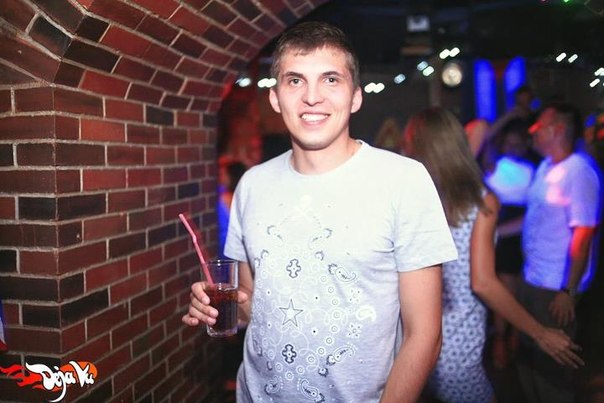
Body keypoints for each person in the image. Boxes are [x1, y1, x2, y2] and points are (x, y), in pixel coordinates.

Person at [183, 21, 459, 402]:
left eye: (330, 80)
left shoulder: (404, 181)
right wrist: (218, 308)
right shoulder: (251, 185)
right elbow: (250, 304)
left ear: (355, 96)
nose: (312, 97)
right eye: (295, 80)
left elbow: (425, 335)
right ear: (275, 98)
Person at [401, 107, 584, 403]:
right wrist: (540, 333)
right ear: (456, 143)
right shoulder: (478, 200)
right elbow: (483, 282)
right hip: (456, 346)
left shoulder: (410, 196)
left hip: (414, 340)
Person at [517, 103, 601, 403]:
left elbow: (584, 234)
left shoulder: (579, 172)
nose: (532, 132)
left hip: (554, 290)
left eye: (538, 127)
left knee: (553, 372)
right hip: (532, 279)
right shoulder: (545, 167)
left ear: (558, 130)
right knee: (529, 362)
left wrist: (569, 290)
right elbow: (535, 217)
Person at [484, 119, 536, 369]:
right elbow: (485, 138)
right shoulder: (494, 165)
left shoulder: (532, 169)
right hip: (497, 229)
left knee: (517, 287)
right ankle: (502, 338)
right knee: (503, 288)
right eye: (509, 143)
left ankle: (515, 334)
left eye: (518, 144)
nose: (513, 148)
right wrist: (509, 116)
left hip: (522, 232)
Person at [217, 156, 248, 258]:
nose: (219, 178)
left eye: (222, 174)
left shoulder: (224, 198)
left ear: (231, 176)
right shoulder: (246, 195)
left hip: (227, 246)